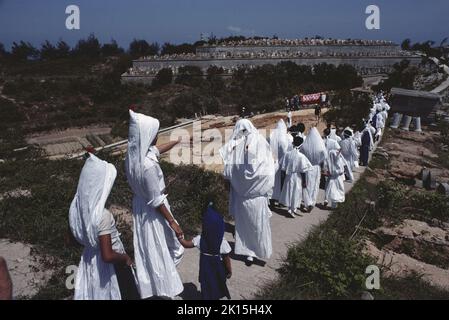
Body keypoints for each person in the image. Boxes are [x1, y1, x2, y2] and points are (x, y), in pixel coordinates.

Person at [125, 110, 185, 299]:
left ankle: (157, 283)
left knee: (151, 248)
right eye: (155, 132)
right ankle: (165, 285)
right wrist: (172, 222)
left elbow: (158, 149)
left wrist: (177, 141)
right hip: (154, 209)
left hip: (141, 207)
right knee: (171, 246)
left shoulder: (133, 156)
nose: (157, 136)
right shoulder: (147, 165)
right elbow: (156, 200)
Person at [69, 153, 138, 300]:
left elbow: (73, 239)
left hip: (90, 261)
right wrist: (125, 257)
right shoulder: (102, 215)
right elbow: (107, 255)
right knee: (123, 293)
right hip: (113, 266)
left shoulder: (76, 208)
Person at [219, 119, 274, 265]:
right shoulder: (260, 142)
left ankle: (247, 252)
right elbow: (267, 169)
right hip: (256, 197)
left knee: (243, 226)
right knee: (257, 226)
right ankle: (255, 252)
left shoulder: (234, 148)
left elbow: (228, 172)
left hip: (241, 197)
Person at [177, 204, 232, 300]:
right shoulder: (222, 241)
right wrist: (229, 270)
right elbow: (227, 258)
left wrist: (180, 237)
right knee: (217, 284)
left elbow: (186, 244)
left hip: (205, 268)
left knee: (206, 284)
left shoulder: (200, 239)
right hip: (218, 268)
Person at [279, 136, 312, 217]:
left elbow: (282, 167)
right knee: (296, 193)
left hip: (288, 176)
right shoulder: (301, 156)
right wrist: (304, 181)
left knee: (289, 191)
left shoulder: (287, 154)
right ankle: (293, 209)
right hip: (297, 177)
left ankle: (290, 208)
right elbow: (303, 170)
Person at [300, 127, 327, 211]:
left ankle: (306, 203)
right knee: (315, 186)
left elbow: (301, 155)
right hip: (316, 168)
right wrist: (323, 167)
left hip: (307, 167)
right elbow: (324, 157)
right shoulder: (320, 146)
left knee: (307, 185)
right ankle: (312, 202)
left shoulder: (305, 146)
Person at [267, 119, 291, 203]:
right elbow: (286, 151)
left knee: (273, 182)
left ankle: (271, 199)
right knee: (281, 182)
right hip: (282, 163)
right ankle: (280, 199)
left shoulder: (271, 135)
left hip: (272, 162)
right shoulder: (285, 137)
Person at [323, 142, 346, 209]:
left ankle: (326, 200)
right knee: (336, 192)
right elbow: (341, 171)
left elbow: (326, 170)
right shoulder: (338, 162)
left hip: (331, 178)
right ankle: (333, 206)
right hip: (338, 179)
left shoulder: (329, 161)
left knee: (329, 190)